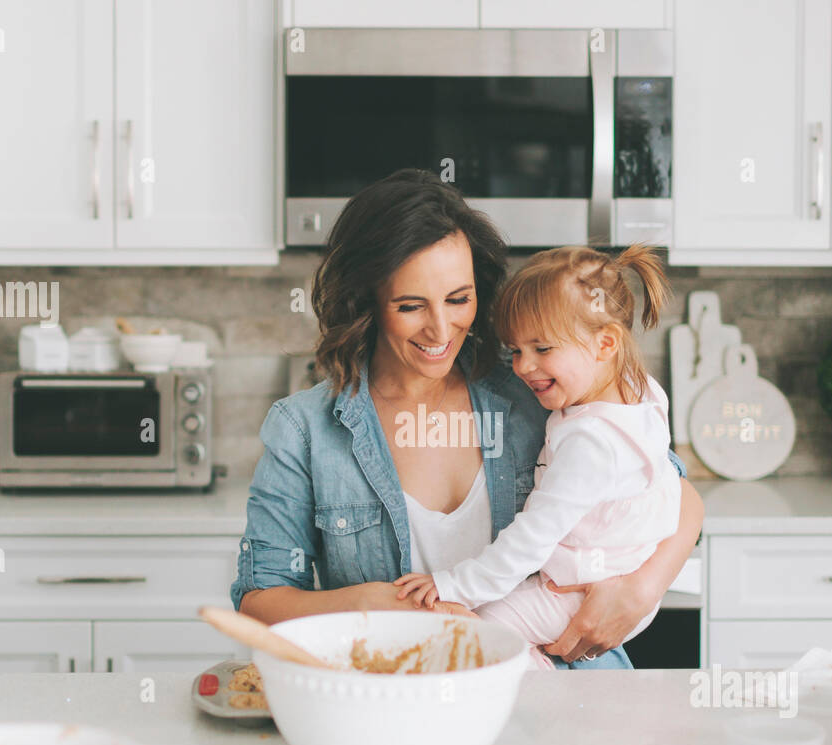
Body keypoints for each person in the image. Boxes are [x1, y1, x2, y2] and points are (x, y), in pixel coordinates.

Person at [231, 169, 703, 667]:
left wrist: (641, 590)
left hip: (575, 691)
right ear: (366, 301)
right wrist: (369, 606)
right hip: (399, 699)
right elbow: (258, 601)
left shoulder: (534, 387)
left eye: (459, 299)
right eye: (411, 305)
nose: (441, 328)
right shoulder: (305, 429)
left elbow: (675, 491)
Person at [394, 245, 680, 669]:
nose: (524, 367)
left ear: (605, 344)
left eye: (542, 349)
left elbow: (530, 540)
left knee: (482, 637)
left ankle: (547, 708)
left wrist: (454, 586)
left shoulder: (592, 445)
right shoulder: (637, 393)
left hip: (583, 592)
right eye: (515, 350)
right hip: (614, 577)